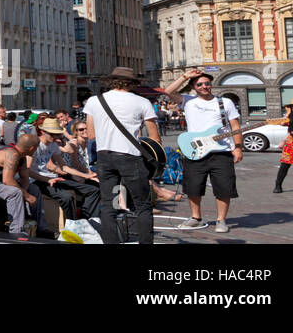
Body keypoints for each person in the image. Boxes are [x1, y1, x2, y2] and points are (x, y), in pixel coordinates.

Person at [85, 66, 161, 244]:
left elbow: (90, 135)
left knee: (108, 203)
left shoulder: (94, 100)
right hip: (130, 158)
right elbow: (155, 138)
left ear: (111, 81)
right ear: (133, 83)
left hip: (104, 158)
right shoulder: (142, 102)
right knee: (142, 205)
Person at [163, 67, 240, 234]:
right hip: (195, 150)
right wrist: (185, 76)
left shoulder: (225, 103)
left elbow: (235, 126)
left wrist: (238, 147)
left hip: (221, 151)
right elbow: (168, 90)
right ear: (194, 87)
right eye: (200, 84)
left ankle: (221, 220)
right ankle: (195, 217)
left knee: (224, 187)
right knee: (193, 187)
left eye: (207, 83)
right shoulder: (187, 101)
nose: (204, 86)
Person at [0, 134, 54, 238]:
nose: (36, 151)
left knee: (34, 189)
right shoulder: (12, 154)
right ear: (31, 148)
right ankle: (17, 232)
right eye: (36, 148)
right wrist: (26, 196)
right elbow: (8, 180)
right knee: (15, 192)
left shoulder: (22, 157)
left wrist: (27, 192)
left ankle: (42, 229)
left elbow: (24, 177)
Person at [30, 118, 100, 220]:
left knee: (93, 190)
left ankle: (88, 220)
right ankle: (71, 224)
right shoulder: (35, 144)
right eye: (52, 134)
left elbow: (64, 166)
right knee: (66, 197)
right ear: (42, 132)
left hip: (52, 178)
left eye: (57, 134)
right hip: (37, 180)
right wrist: (48, 180)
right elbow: (27, 171)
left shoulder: (53, 144)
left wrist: (87, 175)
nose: (55, 137)